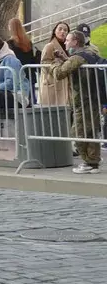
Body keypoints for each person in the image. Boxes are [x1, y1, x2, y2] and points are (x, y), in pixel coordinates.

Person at [50, 30, 104, 174]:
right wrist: (64, 58)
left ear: (75, 42)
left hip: (83, 101)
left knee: (78, 132)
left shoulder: (78, 58)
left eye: (67, 40)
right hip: (93, 99)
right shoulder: (89, 53)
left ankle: (88, 161)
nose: (65, 42)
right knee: (91, 131)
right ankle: (93, 162)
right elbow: (74, 65)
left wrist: (54, 63)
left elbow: (59, 73)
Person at [39, 22, 72, 107]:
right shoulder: (50, 46)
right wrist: (57, 67)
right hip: (52, 83)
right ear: (55, 31)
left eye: (65, 30)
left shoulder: (68, 47)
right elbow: (44, 63)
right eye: (60, 29)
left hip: (64, 83)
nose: (63, 32)